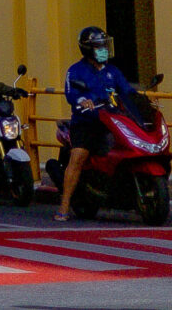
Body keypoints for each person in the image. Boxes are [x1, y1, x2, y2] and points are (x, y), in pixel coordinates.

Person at [56, 25, 145, 221]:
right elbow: (71, 94)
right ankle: (64, 205)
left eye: (105, 45)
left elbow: (127, 92)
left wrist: (142, 101)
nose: (104, 50)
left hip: (113, 121)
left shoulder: (113, 71)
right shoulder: (75, 71)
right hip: (86, 122)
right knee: (78, 156)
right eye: (99, 46)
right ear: (88, 49)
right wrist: (83, 101)